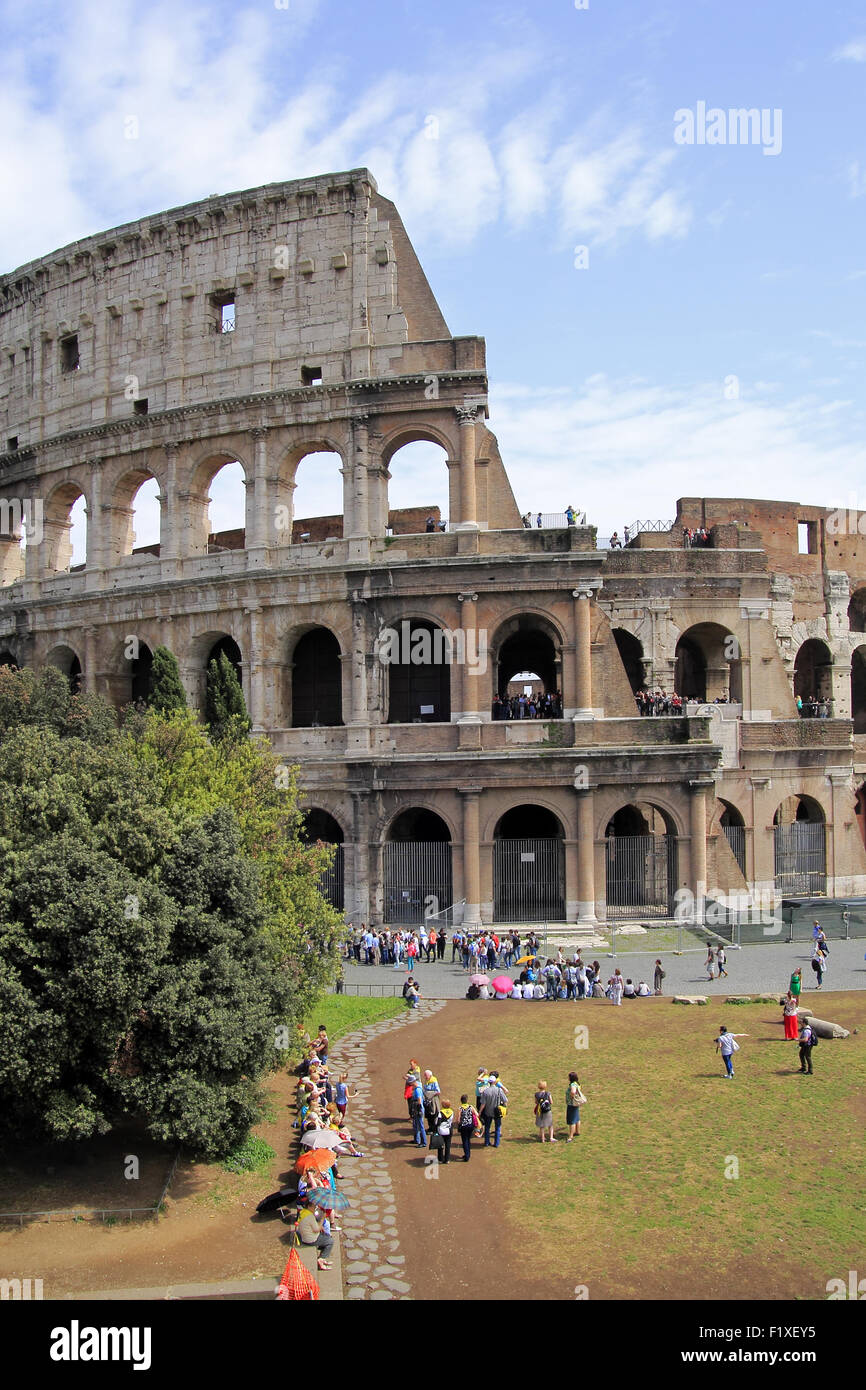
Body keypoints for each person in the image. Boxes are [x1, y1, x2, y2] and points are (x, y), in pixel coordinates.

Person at [297, 1205, 335, 1271]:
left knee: (326, 1236)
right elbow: (316, 1229)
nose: (315, 1208)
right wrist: (322, 1219)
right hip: (311, 1239)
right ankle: (321, 1259)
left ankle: (322, 1258)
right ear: (309, 1206)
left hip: (304, 1236)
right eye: (314, 1207)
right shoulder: (310, 1217)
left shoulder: (303, 1212)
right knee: (330, 1241)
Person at [478, 1074, 506, 1147]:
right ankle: (496, 1143)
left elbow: (483, 1104)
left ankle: (487, 1142)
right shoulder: (499, 1090)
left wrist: (480, 1112)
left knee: (487, 1128)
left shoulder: (486, 1091)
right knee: (497, 1128)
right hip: (497, 1112)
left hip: (488, 1112)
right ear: (494, 1082)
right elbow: (505, 1100)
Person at [457, 1094, 481, 1161]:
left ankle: (466, 1156)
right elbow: (477, 1114)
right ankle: (468, 1154)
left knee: (464, 1141)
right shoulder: (471, 1107)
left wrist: (459, 1123)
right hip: (470, 1126)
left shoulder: (460, 1108)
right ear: (467, 1100)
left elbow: (458, 1120)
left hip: (463, 1126)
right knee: (468, 1139)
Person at [565, 1071, 586, 1141]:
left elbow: (573, 1092)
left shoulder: (573, 1085)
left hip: (572, 1103)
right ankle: (577, 1131)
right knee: (577, 1118)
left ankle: (571, 1136)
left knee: (572, 1120)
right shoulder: (577, 1083)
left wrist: (571, 1096)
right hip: (576, 1104)